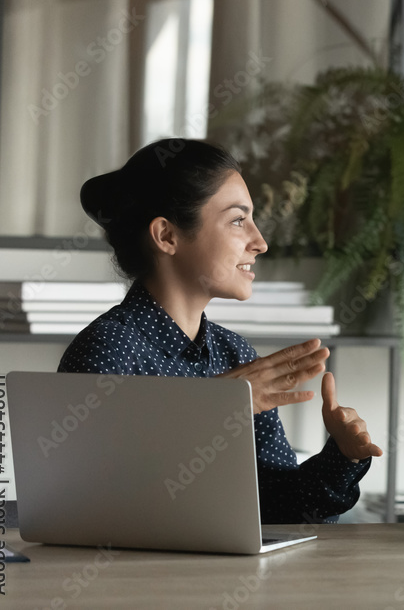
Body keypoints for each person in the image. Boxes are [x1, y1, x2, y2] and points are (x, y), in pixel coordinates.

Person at [59, 138, 382, 524]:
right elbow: (95, 504)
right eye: (237, 220)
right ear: (166, 236)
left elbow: (279, 509)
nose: (259, 242)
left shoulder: (234, 353)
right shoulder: (105, 351)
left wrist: (342, 456)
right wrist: (216, 407)